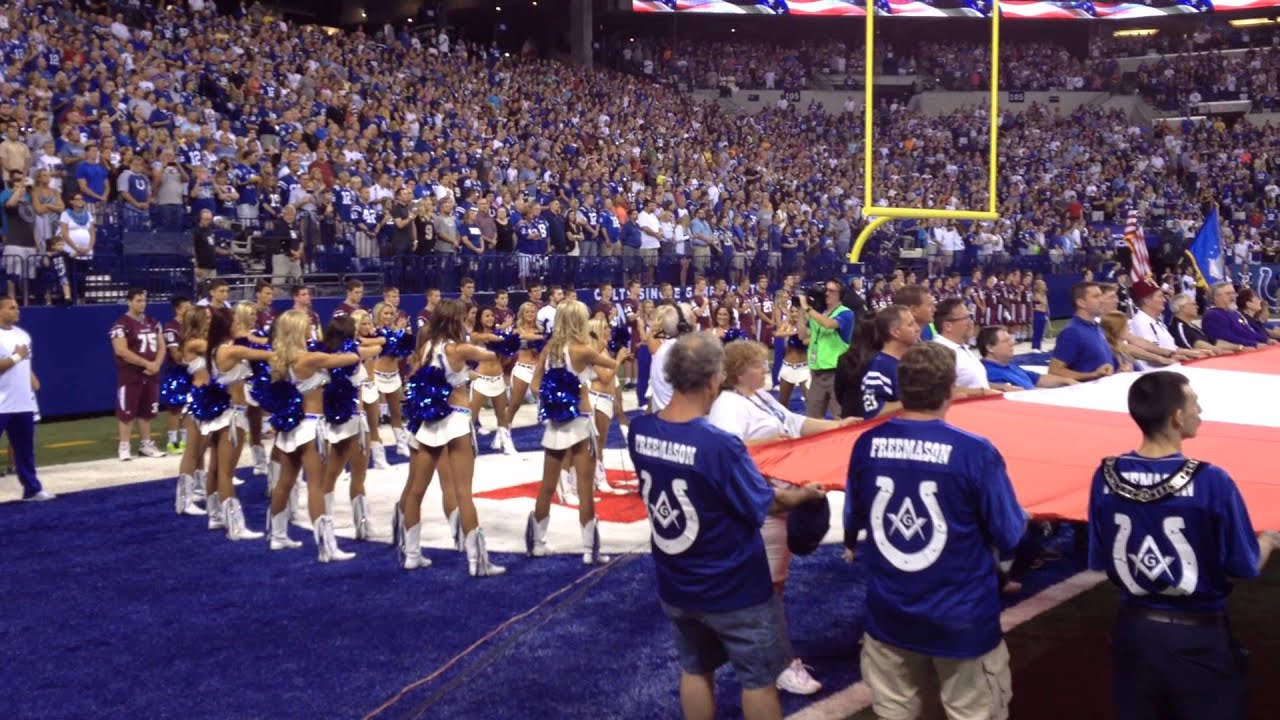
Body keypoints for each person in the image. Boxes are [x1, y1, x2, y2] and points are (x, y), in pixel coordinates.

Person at [627, 332, 827, 720]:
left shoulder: (641, 430)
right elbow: (766, 502)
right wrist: (804, 495)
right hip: (733, 582)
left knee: (695, 669)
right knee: (758, 679)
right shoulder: (718, 443)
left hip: (676, 578)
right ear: (715, 377)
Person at [845, 343, 1026, 720]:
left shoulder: (866, 445)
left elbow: (854, 520)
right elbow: (1009, 533)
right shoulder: (975, 452)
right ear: (950, 392)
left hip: (888, 612)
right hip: (961, 618)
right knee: (973, 710)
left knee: (894, 710)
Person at [1087, 371, 1279, 720]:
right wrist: (1267, 540)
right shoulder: (1211, 480)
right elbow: (1244, 565)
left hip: (1133, 632)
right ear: (1177, 417)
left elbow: (1100, 556)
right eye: (1194, 404)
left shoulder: (1105, 475)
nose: (1200, 411)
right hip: (1198, 639)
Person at [708, 340, 853, 697]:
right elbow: (729, 451)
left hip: (782, 499)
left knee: (775, 586)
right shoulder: (729, 405)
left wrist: (839, 426)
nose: (765, 369)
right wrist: (776, 441)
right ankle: (779, 663)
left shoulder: (759, 398)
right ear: (740, 371)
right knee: (768, 590)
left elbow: (796, 422)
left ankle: (771, 655)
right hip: (763, 505)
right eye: (758, 364)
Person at [397, 299, 505, 576]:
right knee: (463, 494)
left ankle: (411, 554)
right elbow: (495, 355)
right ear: (454, 320)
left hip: (429, 423)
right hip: (456, 421)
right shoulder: (458, 348)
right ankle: (477, 561)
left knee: (415, 492)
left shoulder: (426, 349)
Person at [264, 310, 379, 562]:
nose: (311, 329)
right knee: (316, 485)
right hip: (310, 427)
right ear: (296, 330)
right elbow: (349, 357)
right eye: (306, 326)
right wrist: (372, 347)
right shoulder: (309, 358)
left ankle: (277, 535)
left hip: (289, 427)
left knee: (284, 482)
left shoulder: (280, 360)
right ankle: (327, 546)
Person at [526, 300, 626, 564]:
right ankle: (589, 550)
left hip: (556, 423)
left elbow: (535, 385)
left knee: (547, 486)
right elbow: (611, 367)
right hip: (581, 422)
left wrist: (556, 399)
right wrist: (620, 356)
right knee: (584, 487)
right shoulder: (582, 350)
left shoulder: (550, 348)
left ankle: (537, 543)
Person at [0, 296, 52, 501]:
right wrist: (16, 357)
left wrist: (31, 379)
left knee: (24, 450)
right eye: (11, 308)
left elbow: (25, 365)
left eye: (17, 307)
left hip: (22, 403)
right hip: (1, 403)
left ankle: (32, 488)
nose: (17, 311)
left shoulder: (24, 335)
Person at [109, 288, 167, 461]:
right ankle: (124, 446)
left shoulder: (153, 322)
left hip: (151, 373)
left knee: (147, 411)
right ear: (129, 301)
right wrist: (146, 363)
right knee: (127, 411)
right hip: (131, 374)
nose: (142, 304)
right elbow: (121, 351)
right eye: (138, 300)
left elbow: (161, 345)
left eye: (144, 300)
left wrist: (156, 364)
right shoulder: (121, 325)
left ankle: (146, 444)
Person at [835, 305, 920, 419]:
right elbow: (874, 411)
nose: (917, 328)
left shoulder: (911, 361)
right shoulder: (879, 368)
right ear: (895, 332)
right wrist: (918, 401)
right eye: (910, 324)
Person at [797, 279, 854, 419]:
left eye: (832, 291)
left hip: (837, 372)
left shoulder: (846, 313)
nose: (827, 293)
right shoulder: (820, 313)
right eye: (826, 290)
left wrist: (808, 309)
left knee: (840, 416)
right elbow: (802, 335)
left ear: (840, 294)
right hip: (817, 371)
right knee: (812, 416)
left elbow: (829, 324)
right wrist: (800, 312)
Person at [1048, 281, 1116, 382]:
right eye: (1096, 296)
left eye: (1101, 295)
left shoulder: (1096, 327)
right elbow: (1054, 371)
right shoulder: (1072, 332)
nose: (1102, 300)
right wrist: (1092, 375)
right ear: (1081, 303)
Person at [977, 326, 1076, 390]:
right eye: (1005, 341)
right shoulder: (990, 374)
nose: (1012, 343)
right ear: (990, 348)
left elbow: (1038, 379)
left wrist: (1066, 380)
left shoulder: (1008, 365)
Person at [1201, 282, 1270, 349]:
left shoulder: (1234, 313)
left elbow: (1247, 332)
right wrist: (1254, 344)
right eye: (1228, 293)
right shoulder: (1213, 316)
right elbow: (1227, 338)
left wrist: (1266, 340)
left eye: (1233, 293)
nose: (1233, 296)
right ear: (1216, 297)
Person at [1168, 293, 1236, 354]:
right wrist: (1222, 352)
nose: (1197, 307)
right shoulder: (1179, 327)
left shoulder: (1191, 326)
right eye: (1193, 304)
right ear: (1182, 308)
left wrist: (1238, 347)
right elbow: (1198, 344)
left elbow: (1213, 342)